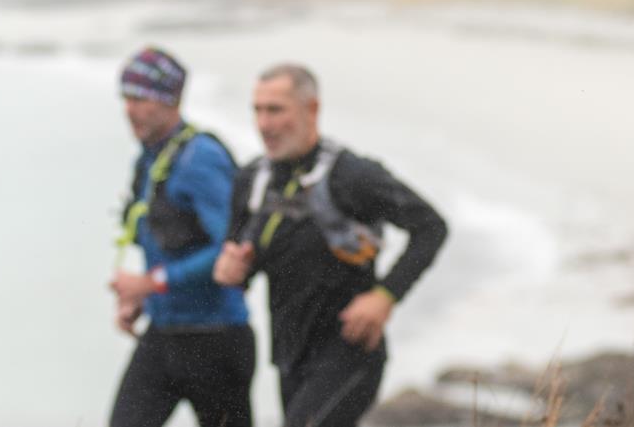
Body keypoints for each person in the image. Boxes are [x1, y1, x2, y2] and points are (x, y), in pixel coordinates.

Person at [214, 63, 447, 427]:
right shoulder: (252, 180)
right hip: (289, 355)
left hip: (350, 352)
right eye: (257, 110)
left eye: (275, 109)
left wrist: (385, 297)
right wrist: (231, 271)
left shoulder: (352, 176)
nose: (264, 124)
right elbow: (241, 261)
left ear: (312, 109)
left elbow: (431, 227)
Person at [107, 47, 254, 427]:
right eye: (125, 98)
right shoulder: (148, 159)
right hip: (164, 333)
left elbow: (230, 248)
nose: (129, 109)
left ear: (169, 100)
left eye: (139, 99)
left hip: (216, 337)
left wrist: (152, 283)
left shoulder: (201, 157)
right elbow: (162, 241)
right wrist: (139, 299)